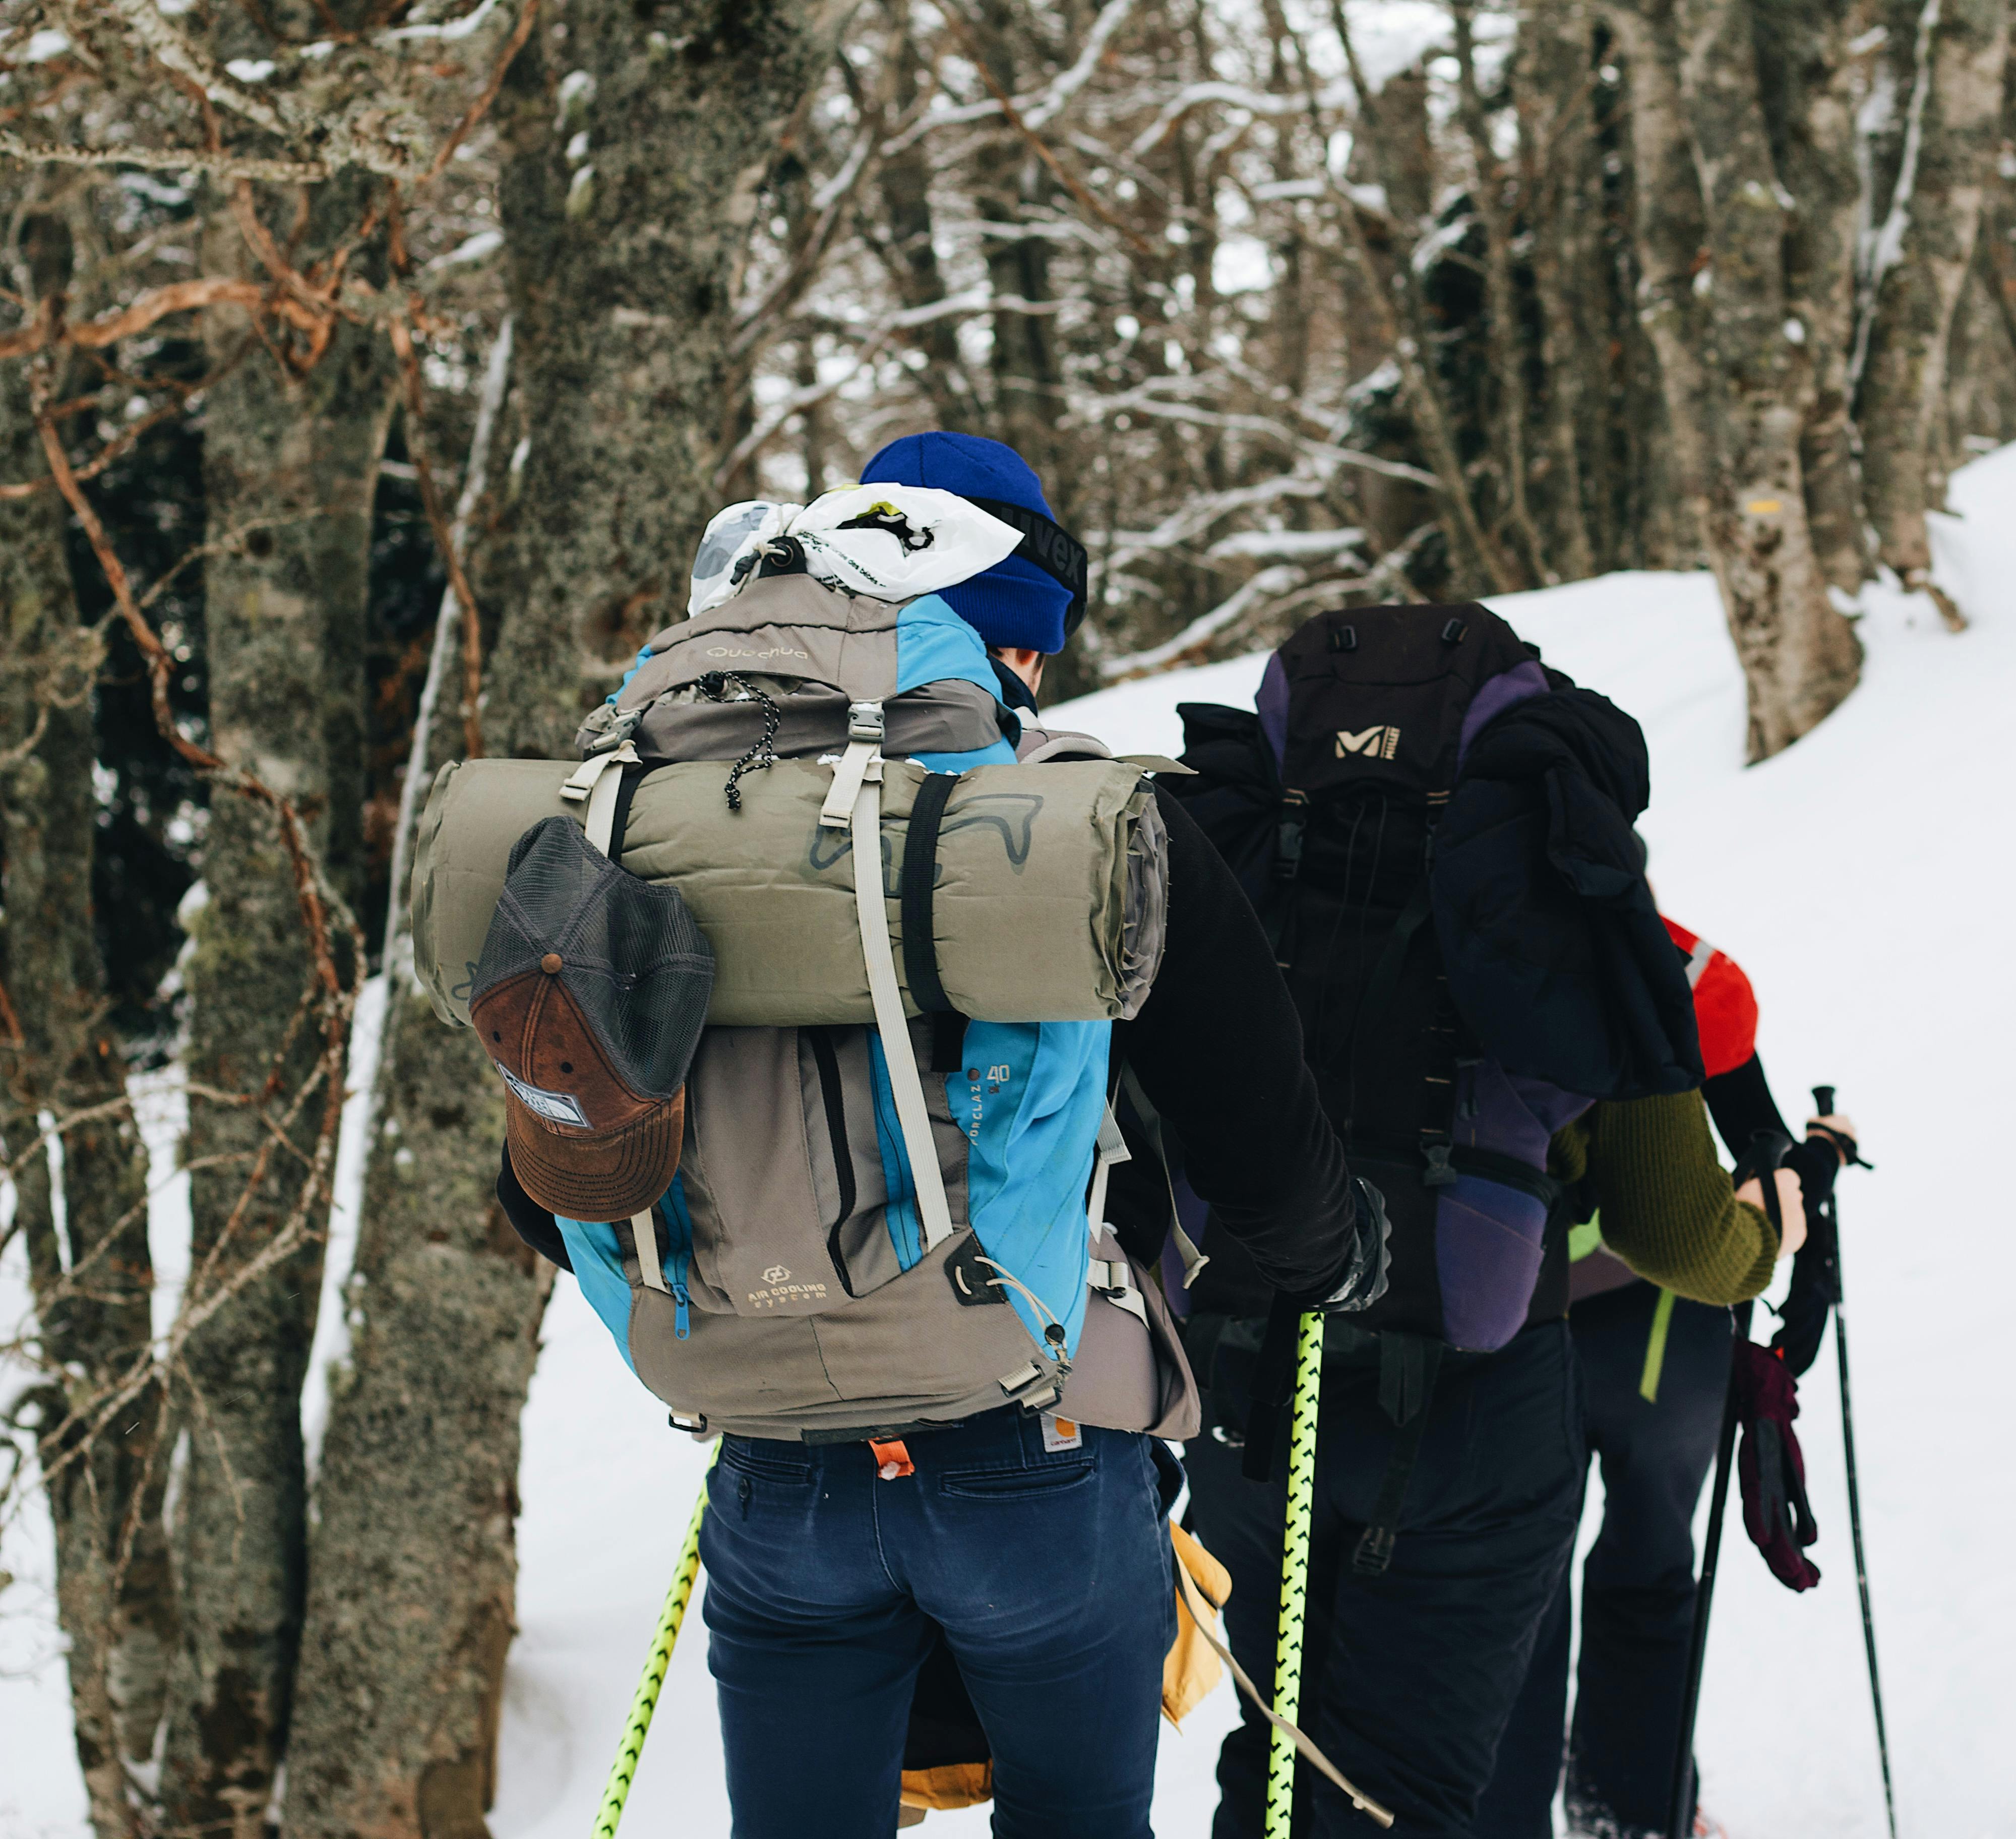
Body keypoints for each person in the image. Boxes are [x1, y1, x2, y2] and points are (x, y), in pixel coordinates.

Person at [491, 430, 1389, 1839]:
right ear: (1014, 643)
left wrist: (770, 1287)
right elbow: (1265, 1152)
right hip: (1029, 1443)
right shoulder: (1076, 821)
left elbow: (543, 1187)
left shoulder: (633, 817)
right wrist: (1333, 1253)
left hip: (771, 1468)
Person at [1156, 604, 1810, 1838]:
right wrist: (1769, 1234)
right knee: (1401, 1788)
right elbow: (1674, 1231)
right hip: (1476, 1408)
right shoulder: (1560, 883)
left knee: (1281, 1755)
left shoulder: (1228, 857)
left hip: (1247, 1394)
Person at [1474, 917, 1853, 1839]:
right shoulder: (1665, 958)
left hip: (1503, 1312)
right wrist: (1818, 1168)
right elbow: (1756, 1142)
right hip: (1662, 1313)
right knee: (1645, 1569)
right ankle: (1632, 1812)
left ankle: (1507, 1816)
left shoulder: (1456, 929)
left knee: (1515, 1581)